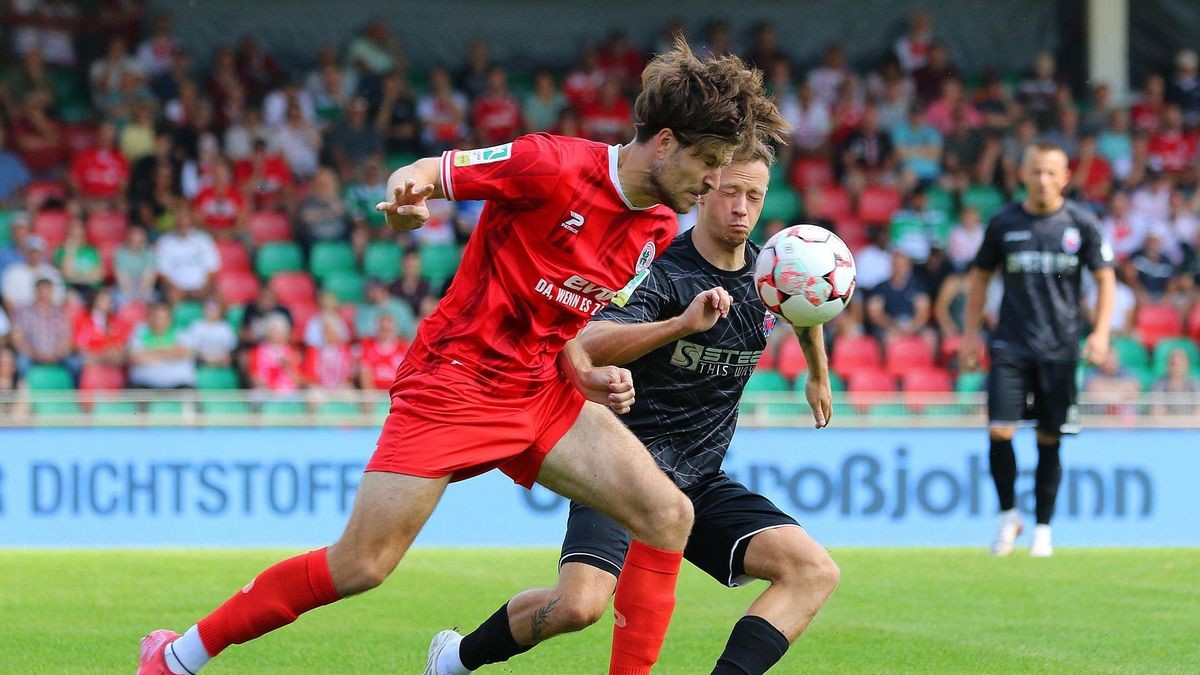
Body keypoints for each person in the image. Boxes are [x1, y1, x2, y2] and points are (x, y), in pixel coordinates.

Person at [136, 38, 786, 675]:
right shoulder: (551, 164)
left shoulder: (653, 226)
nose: (711, 182)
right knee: (361, 565)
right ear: (666, 141)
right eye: (707, 160)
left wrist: (584, 371)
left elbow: (559, 320)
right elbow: (425, 172)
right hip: (454, 384)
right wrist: (404, 205)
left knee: (668, 513)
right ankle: (176, 656)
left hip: (539, 391)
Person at [438, 143, 836, 675]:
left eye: (755, 195)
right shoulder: (662, 269)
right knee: (579, 606)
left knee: (813, 570)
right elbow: (591, 339)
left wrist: (817, 372)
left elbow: (806, 305)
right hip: (619, 468)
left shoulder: (770, 275)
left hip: (697, 480)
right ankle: (453, 659)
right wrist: (678, 326)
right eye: (731, 192)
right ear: (703, 190)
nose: (742, 207)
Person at [961, 141, 1116, 558]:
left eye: (1051, 172)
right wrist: (969, 335)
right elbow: (979, 279)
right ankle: (1008, 515)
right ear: (1022, 175)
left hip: (1061, 350)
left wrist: (1100, 333)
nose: (1043, 180)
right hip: (1010, 344)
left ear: (1065, 177)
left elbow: (1106, 280)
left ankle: (1043, 529)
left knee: (1050, 438)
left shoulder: (1082, 224)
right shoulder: (1003, 223)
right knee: (1000, 430)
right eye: (1036, 172)